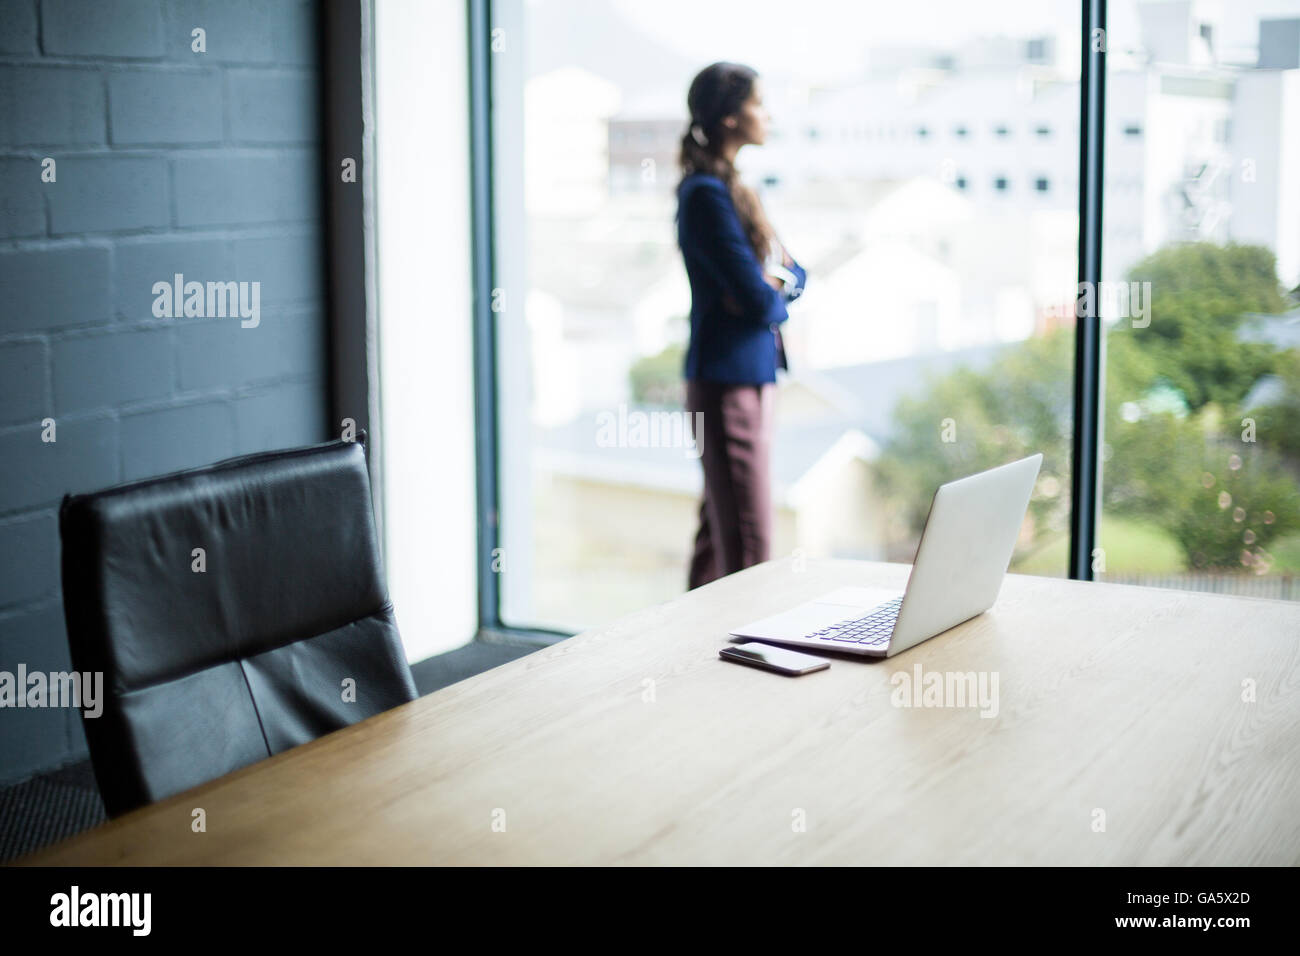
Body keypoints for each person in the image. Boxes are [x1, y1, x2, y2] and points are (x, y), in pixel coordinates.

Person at [675, 61, 806, 590]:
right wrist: (770, 292)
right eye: (758, 104)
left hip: (750, 377)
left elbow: (794, 272)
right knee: (750, 548)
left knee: (719, 537)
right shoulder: (706, 194)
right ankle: (746, 664)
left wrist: (772, 289)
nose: (767, 115)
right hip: (727, 384)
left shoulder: (737, 189)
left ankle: (691, 654)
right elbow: (759, 300)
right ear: (730, 118)